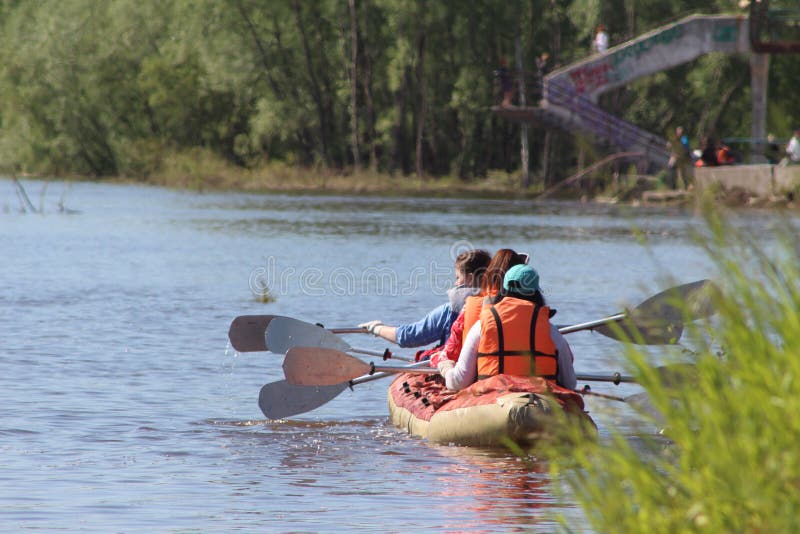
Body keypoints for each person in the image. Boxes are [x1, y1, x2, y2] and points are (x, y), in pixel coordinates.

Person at [437, 264, 577, 391]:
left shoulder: (482, 325)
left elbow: (459, 382)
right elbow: (570, 384)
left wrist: (446, 368)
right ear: (536, 294)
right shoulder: (550, 330)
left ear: (503, 291)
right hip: (540, 402)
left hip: (493, 403)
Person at [359, 249, 491, 348]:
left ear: (469, 278)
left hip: (456, 373)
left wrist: (376, 329)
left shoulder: (451, 310)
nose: (456, 283)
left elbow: (410, 337)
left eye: (457, 277)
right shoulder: (502, 306)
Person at [429, 249, 529, 367]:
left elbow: (451, 356)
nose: (456, 283)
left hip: (479, 372)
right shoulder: (533, 312)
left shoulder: (472, 307)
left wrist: (438, 362)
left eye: (457, 278)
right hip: (520, 372)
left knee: (428, 355)